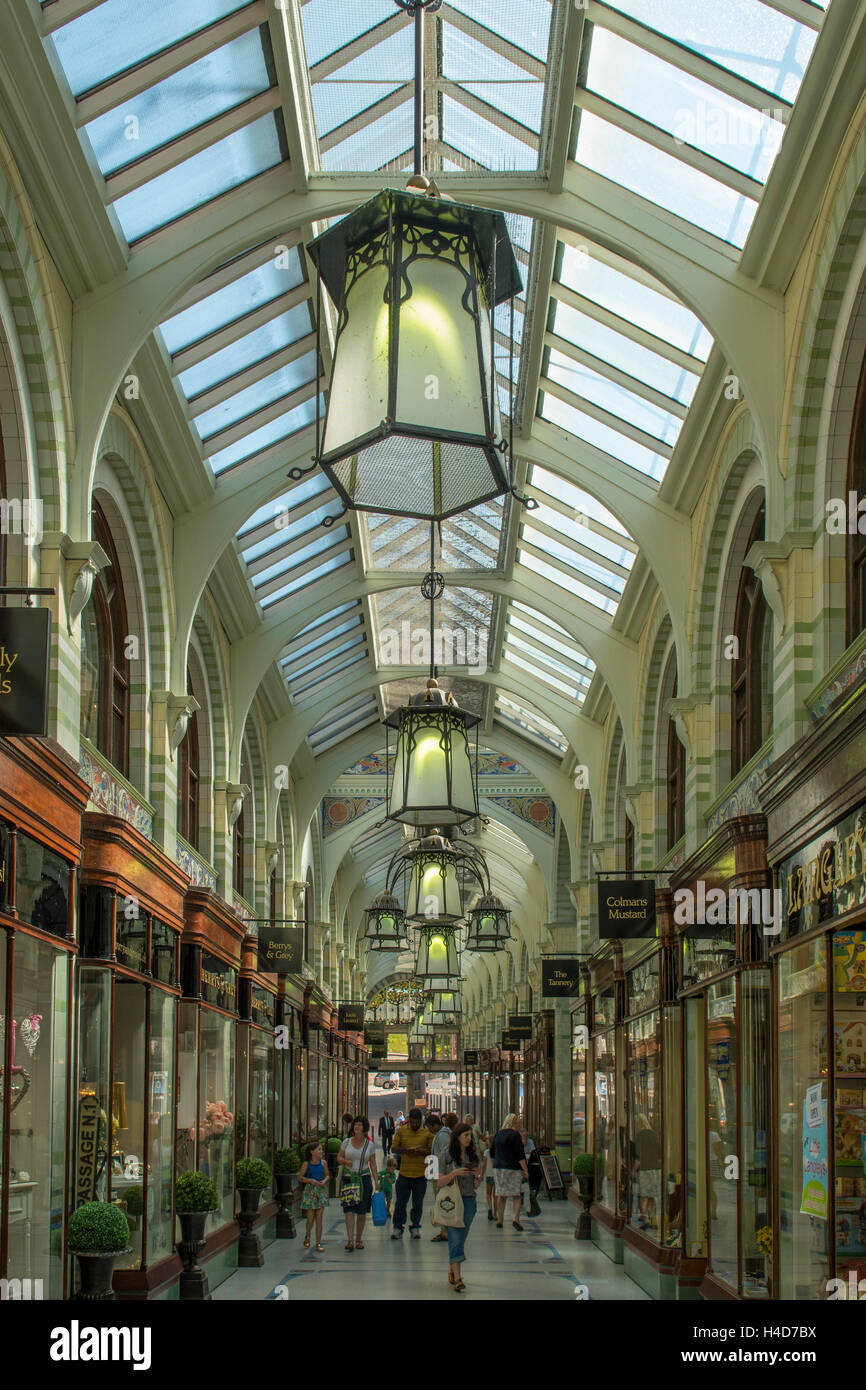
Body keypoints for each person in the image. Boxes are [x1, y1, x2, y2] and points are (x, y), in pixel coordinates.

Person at [437, 1122, 485, 1292]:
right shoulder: (445, 1156)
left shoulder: (473, 1156)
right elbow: (440, 1181)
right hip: (451, 1202)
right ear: (457, 1137)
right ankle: (458, 1278)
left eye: (470, 1136)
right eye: (466, 1136)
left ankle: (452, 1268)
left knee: (461, 1238)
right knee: (455, 1238)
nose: (469, 1139)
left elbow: (478, 1181)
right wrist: (455, 1173)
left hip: (469, 1201)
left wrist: (477, 1177)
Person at [390, 1106, 433, 1239]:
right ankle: (398, 1227)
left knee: (418, 1203)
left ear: (421, 1121)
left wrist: (420, 1152)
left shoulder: (427, 1133)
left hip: (420, 1175)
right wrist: (405, 1150)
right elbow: (394, 1148)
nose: (414, 1124)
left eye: (417, 1122)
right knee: (401, 1202)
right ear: (409, 1120)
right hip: (404, 1174)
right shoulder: (402, 1131)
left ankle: (415, 1226)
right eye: (412, 1122)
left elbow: (432, 1151)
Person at [337, 1115, 379, 1251]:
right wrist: (345, 1161)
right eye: (355, 1125)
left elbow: (372, 1163)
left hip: (364, 1179)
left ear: (364, 1128)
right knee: (349, 1210)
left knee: (362, 1211)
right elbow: (339, 1157)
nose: (357, 1127)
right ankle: (350, 1240)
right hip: (349, 1178)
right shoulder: (346, 1142)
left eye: (360, 1125)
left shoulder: (369, 1145)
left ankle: (359, 1239)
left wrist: (376, 1180)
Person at [490, 1113, 529, 1230]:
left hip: (499, 1168)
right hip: (513, 1169)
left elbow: (491, 1152)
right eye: (518, 1124)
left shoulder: (498, 1134)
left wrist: (495, 1165)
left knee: (501, 1195)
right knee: (516, 1195)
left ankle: (500, 1220)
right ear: (514, 1123)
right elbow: (520, 1155)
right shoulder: (515, 1135)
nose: (519, 1126)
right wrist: (526, 1170)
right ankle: (516, 1219)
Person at [298, 1140, 328, 1251]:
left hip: (320, 1191)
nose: (321, 1151)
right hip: (310, 1192)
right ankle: (308, 1235)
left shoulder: (323, 1163)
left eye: (321, 1149)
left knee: (319, 1218)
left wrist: (324, 1181)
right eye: (319, 1149)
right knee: (310, 1218)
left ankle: (318, 1243)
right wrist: (310, 1180)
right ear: (312, 1152)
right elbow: (300, 1177)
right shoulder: (306, 1164)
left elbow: (327, 1175)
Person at [428, 1113, 453, 1243]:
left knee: (441, 1201)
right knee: (441, 1201)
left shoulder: (442, 1136)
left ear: (434, 1125)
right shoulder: (441, 1134)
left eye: (429, 1127)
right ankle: (444, 1230)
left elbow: (445, 1154)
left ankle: (445, 1232)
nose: (429, 1130)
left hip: (441, 1174)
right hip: (439, 1172)